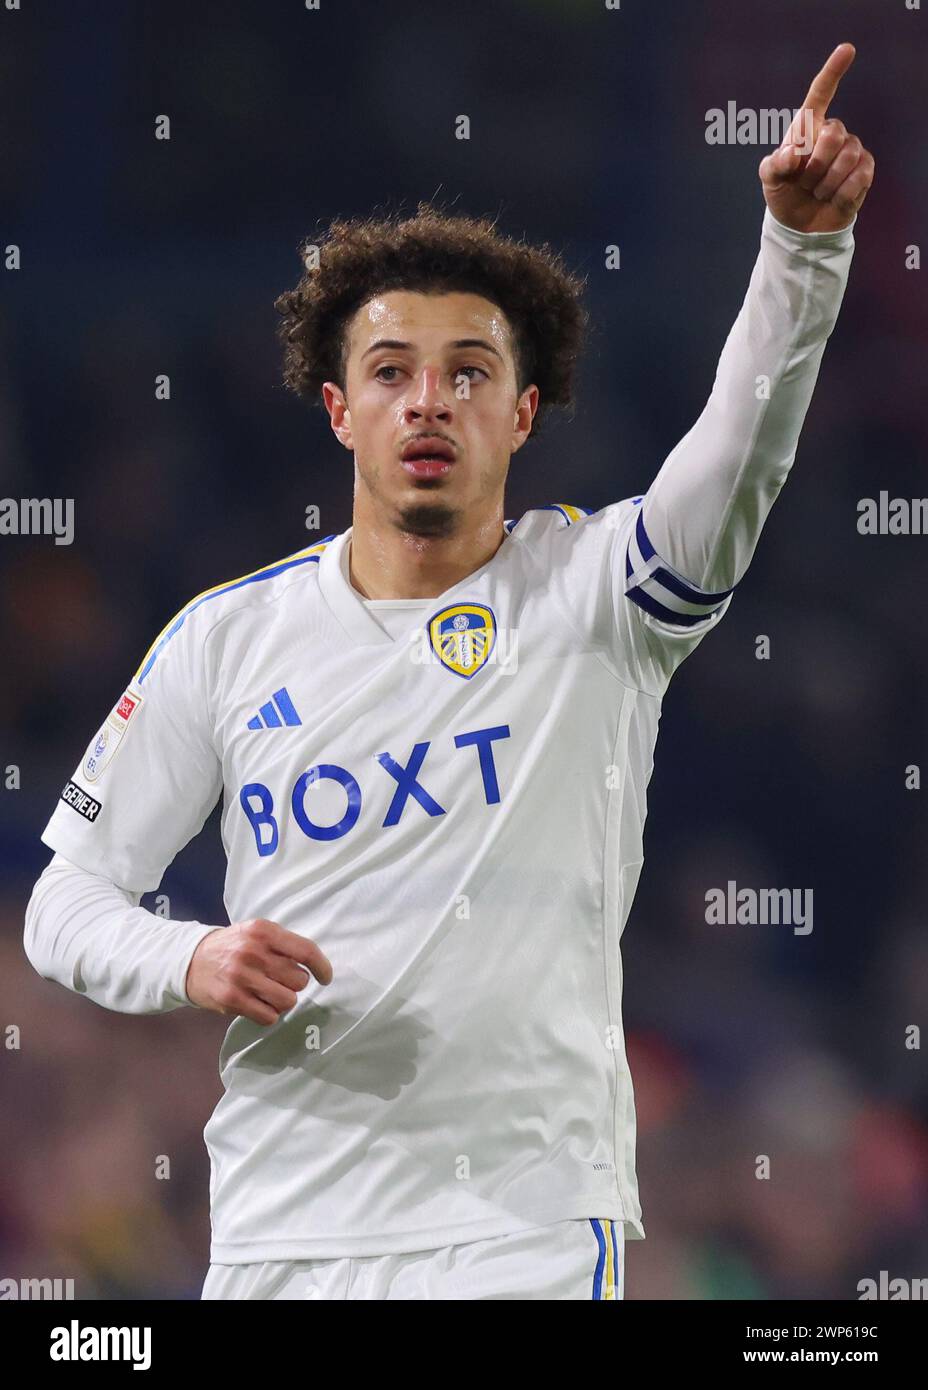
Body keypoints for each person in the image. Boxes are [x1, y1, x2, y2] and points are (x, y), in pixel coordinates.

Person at [23, 45, 873, 1300]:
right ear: (338, 411)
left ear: (522, 414)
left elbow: (739, 451)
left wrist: (798, 252)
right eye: (391, 373)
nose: (430, 402)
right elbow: (65, 905)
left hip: (516, 1238)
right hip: (277, 1239)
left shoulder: (599, 594)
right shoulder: (225, 638)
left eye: (469, 372)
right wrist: (188, 958)